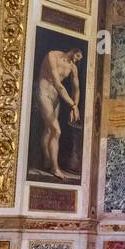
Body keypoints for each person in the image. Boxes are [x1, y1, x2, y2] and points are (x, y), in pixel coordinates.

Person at [34, 45, 82, 180]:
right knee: (56, 131)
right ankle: (55, 167)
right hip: (44, 91)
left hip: (55, 97)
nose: (77, 60)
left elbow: (76, 89)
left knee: (49, 130)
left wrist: (75, 106)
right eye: (77, 56)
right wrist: (73, 105)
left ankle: (47, 160)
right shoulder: (52, 55)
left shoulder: (73, 67)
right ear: (73, 51)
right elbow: (57, 83)